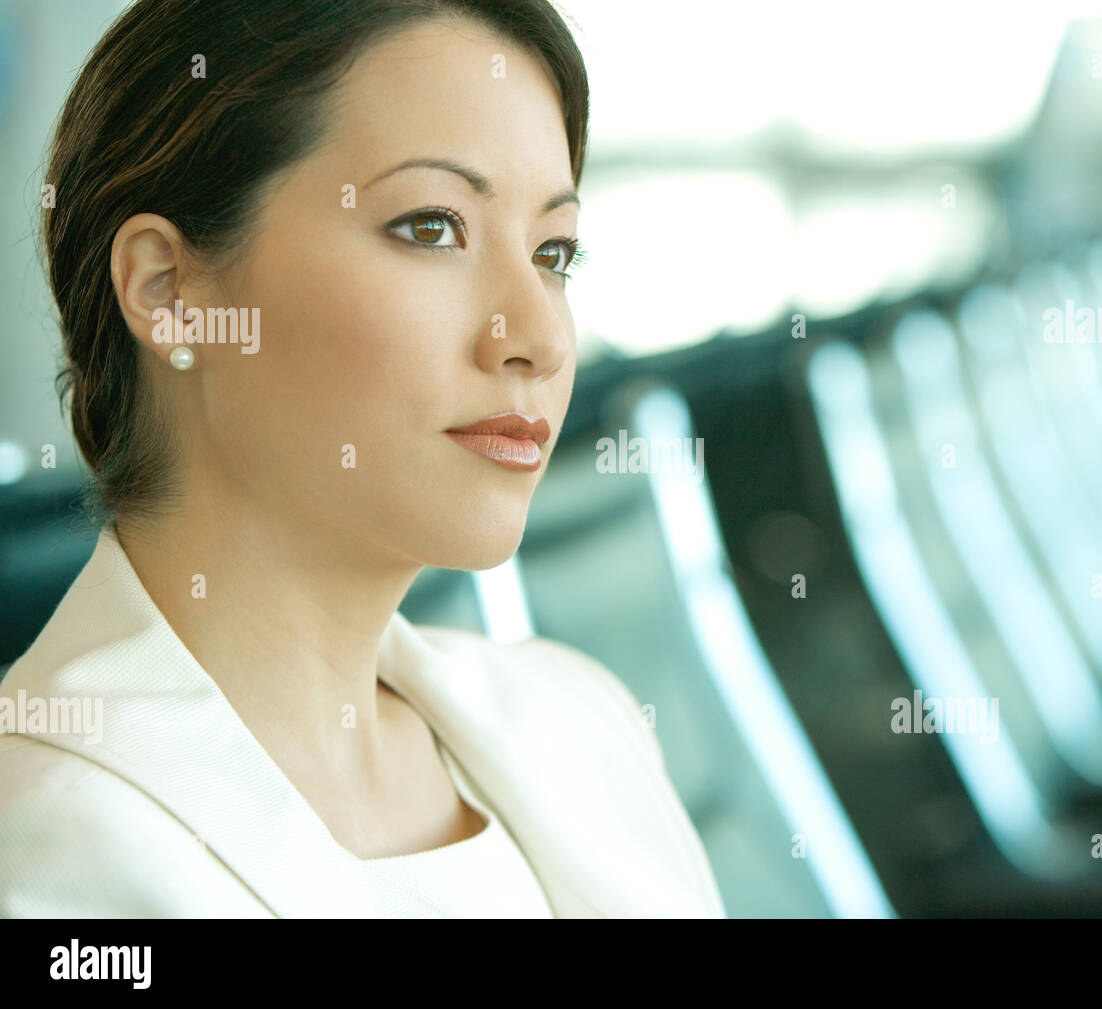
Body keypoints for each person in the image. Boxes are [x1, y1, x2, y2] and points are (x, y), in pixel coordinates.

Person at [0, 0, 726, 919]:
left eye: (553, 253)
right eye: (432, 227)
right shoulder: (50, 854)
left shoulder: (583, 721)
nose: (538, 335)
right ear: (169, 290)